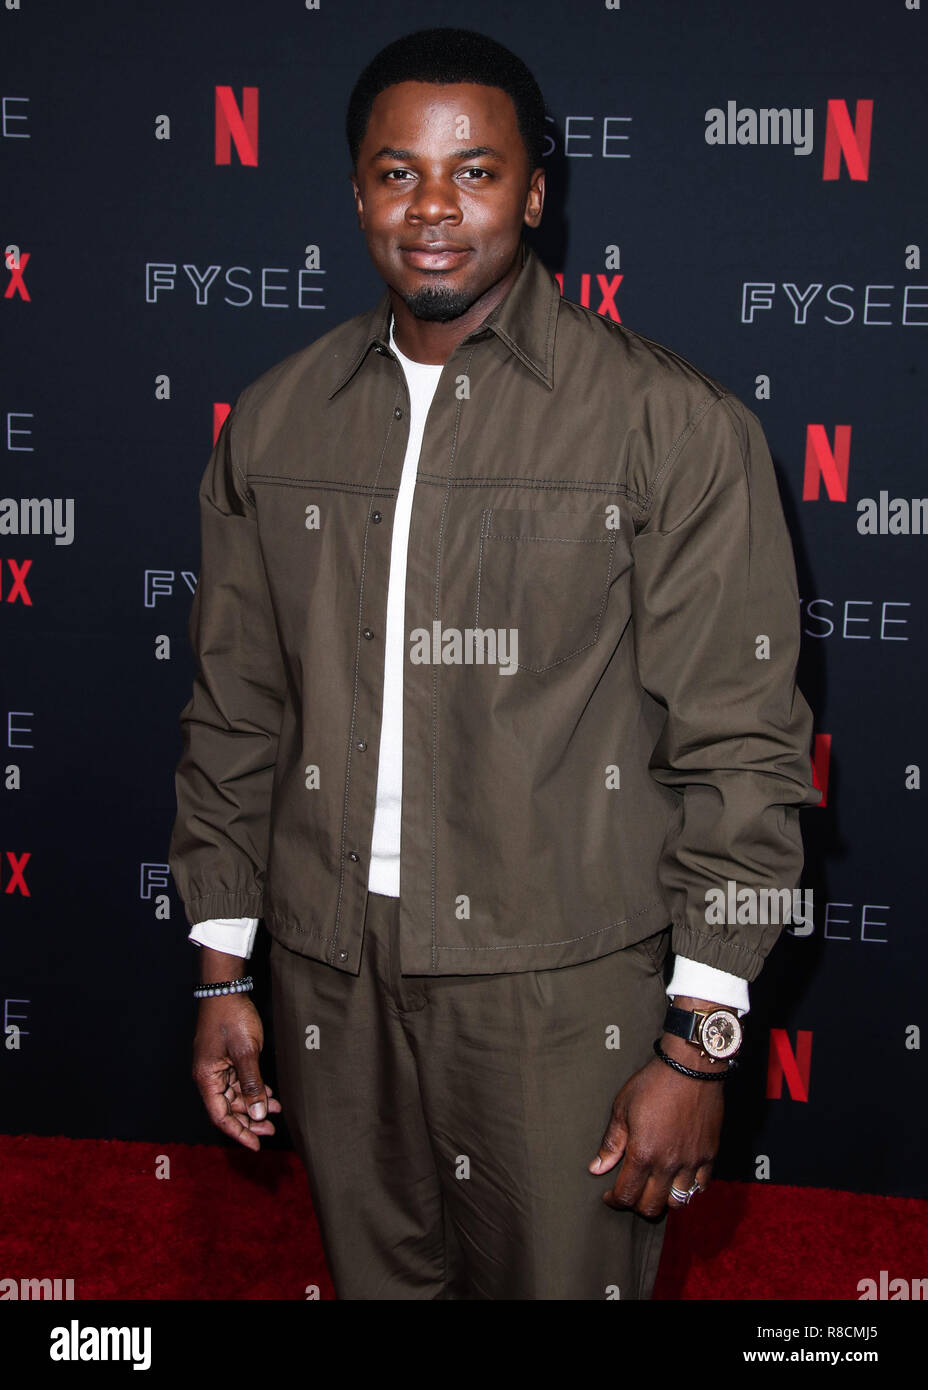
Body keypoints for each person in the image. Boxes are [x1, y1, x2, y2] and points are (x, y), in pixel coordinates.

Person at [168, 27, 819, 1300]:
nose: (433, 210)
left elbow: (739, 750)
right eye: (397, 172)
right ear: (357, 192)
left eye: (473, 172)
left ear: (533, 190)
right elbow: (237, 712)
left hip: (561, 992)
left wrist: (698, 1046)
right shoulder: (278, 419)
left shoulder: (670, 426)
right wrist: (224, 969)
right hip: (329, 975)